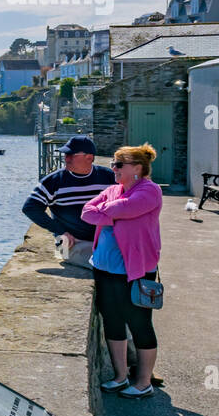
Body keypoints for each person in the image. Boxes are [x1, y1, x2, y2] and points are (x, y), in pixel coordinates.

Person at [82, 144, 163, 399]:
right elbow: (87, 213)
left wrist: (107, 213)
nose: (113, 169)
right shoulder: (114, 190)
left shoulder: (150, 191)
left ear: (137, 168)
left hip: (134, 270)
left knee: (139, 323)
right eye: (113, 164)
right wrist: (113, 213)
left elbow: (123, 209)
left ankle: (143, 382)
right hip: (104, 267)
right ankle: (120, 376)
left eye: (119, 164)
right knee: (113, 321)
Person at [22, 136, 115, 268]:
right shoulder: (53, 181)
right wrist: (59, 231)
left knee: (132, 258)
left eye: (71, 155)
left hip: (103, 240)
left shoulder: (109, 177)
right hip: (68, 244)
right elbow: (30, 208)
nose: (66, 159)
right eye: (65, 155)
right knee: (106, 264)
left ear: (89, 157)